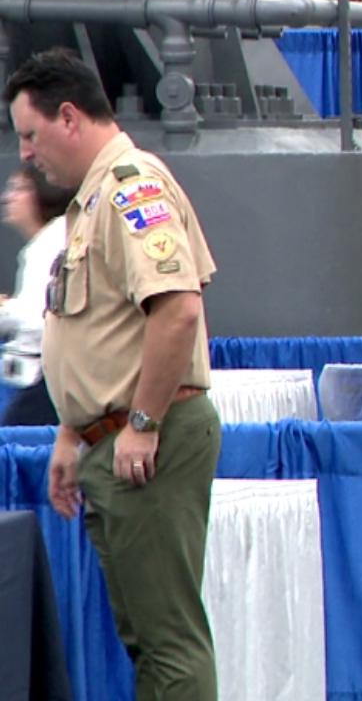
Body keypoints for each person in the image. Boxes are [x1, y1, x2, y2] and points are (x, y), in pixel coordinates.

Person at [6, 49, 221, 699]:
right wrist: (74, 436)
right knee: (145, 639)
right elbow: (94, 333)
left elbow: (177, 311)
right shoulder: (88, 204)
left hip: (145, 442)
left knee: (168, 639)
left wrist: (143, 424)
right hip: (110, 440)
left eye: (30, 134)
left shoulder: (132, 188)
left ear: (68, 117)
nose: (26, 156)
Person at [0, 165, 74, 425]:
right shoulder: (46, 243)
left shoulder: (51, 244)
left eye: (20, 188)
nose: (8, 197)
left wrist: (6, 311)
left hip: (42, 386)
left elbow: (40, 320)